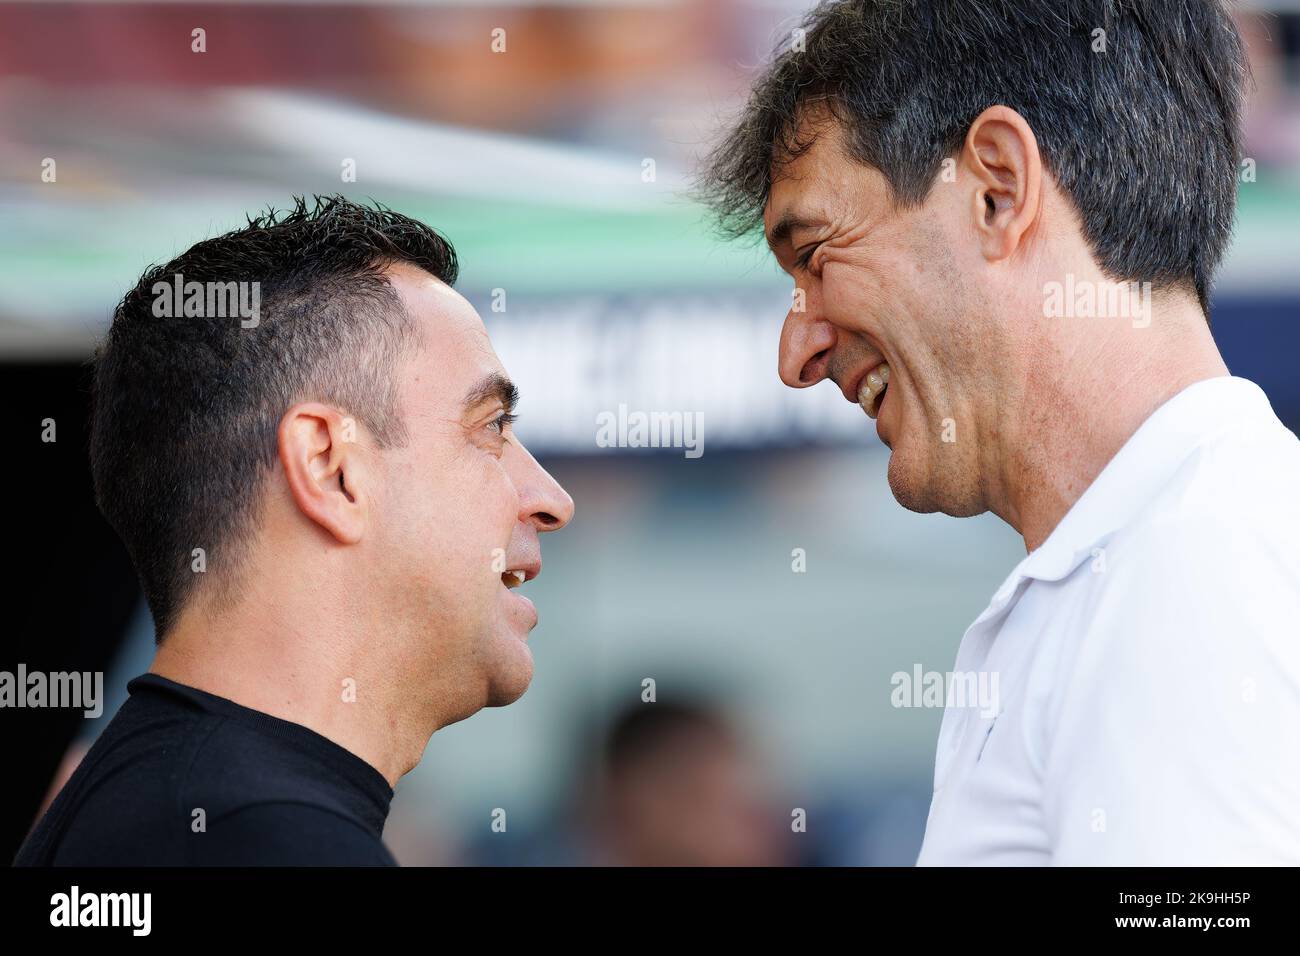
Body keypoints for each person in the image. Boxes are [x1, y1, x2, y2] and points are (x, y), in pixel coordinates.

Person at [699, 0, 1300, 864]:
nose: (797, 353)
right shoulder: (1150, 551)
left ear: (996, 188)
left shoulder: (1200, 557)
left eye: (818, 254)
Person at [15, 196, 574, 865]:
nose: (552, 500)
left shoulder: (166, 810)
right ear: (330, 467)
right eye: (490, 429)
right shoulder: (266, 842)